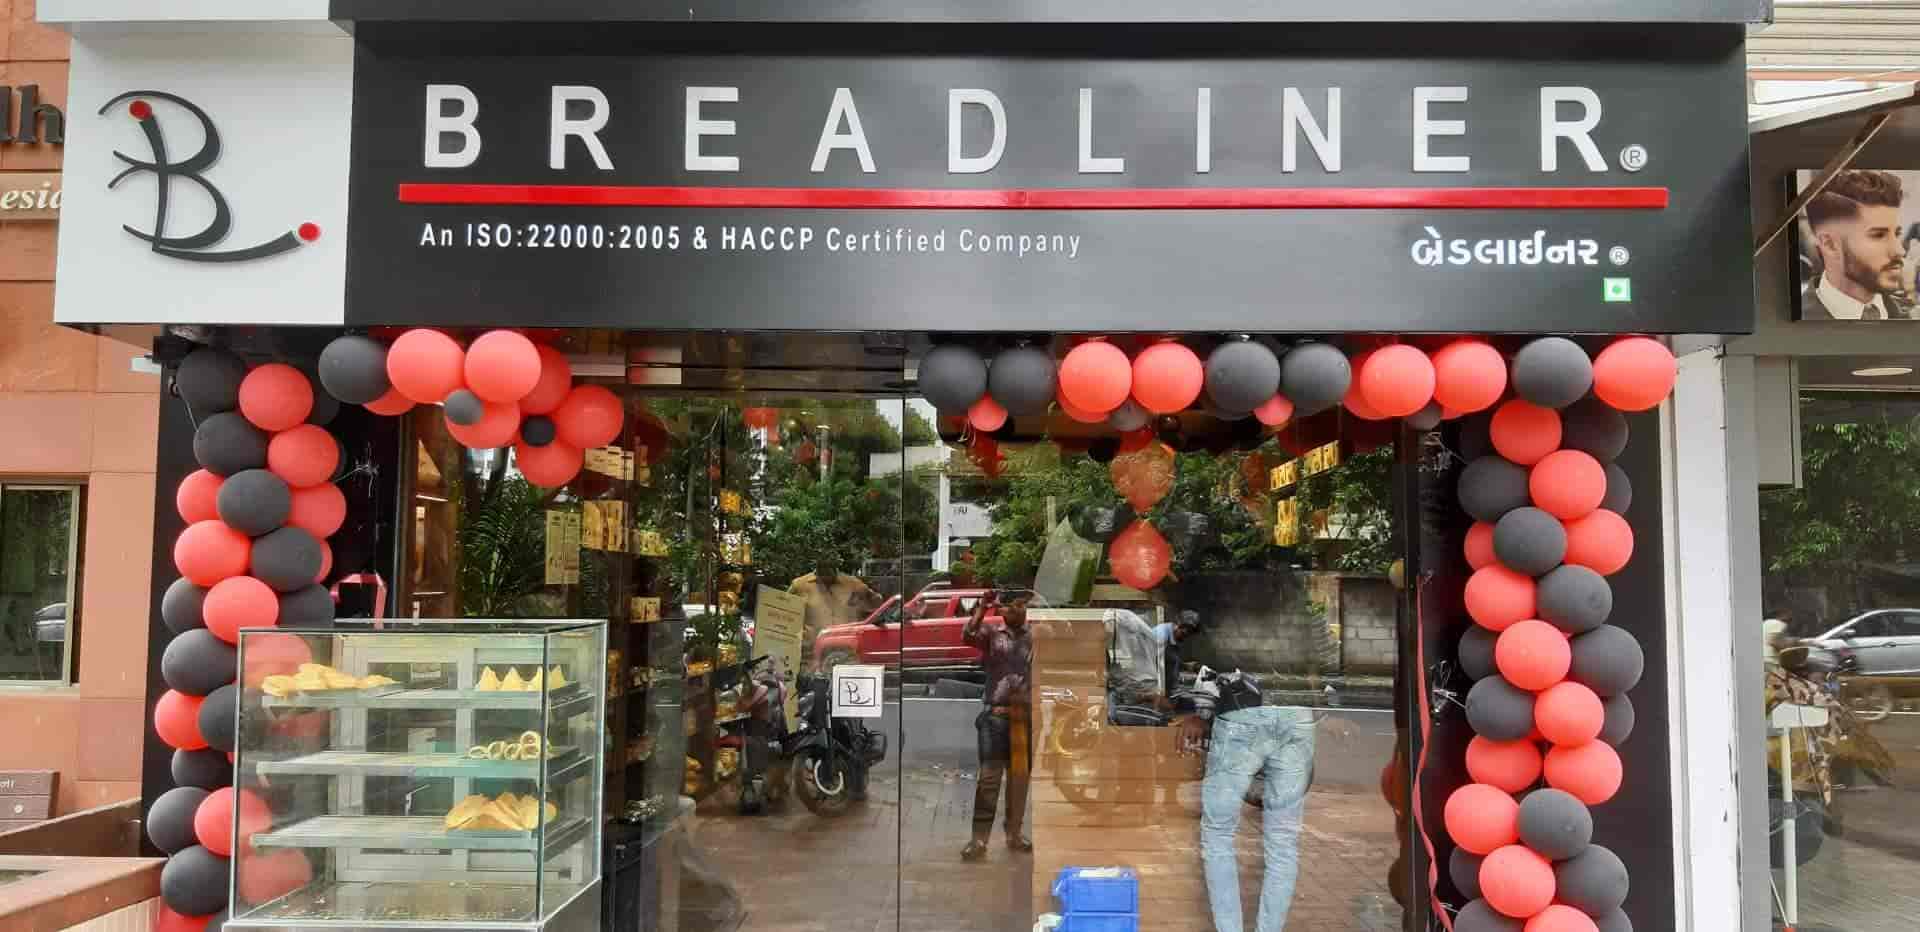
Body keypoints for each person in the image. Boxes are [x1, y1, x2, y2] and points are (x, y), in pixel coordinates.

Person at [1177, 670, 1315, 932]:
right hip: (1296, 713)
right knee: (1284, 841)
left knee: (1218, 832)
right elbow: (1315, 672)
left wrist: (1202, 714)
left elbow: (1218, 664)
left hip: (1243, 713)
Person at [961, 589, 1034, 861]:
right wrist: (982, 607)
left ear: (1025, 607)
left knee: (1019, 780)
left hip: (1023, 718)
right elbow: (968, 634)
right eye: (1006, 605)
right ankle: (979, 839)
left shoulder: (1036, 636)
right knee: (989, 780)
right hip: (995, 717)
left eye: (1017, 605)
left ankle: (1014, 833)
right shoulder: (992, 634)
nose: (1010, 609)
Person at [1801, 169, 1914, 321]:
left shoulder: (1911, 316)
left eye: (1897, 234)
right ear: (1830, 245)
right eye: (1878, 235)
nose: (1899, 250)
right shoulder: (1789, 323)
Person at [787, 558, 881, 666]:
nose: (826, 571)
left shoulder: (853, 584)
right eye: (822, 567)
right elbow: (784, 611)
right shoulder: (799, 585)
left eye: (829, 567)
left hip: (846, 656)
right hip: (809, 656)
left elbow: (876, 604)